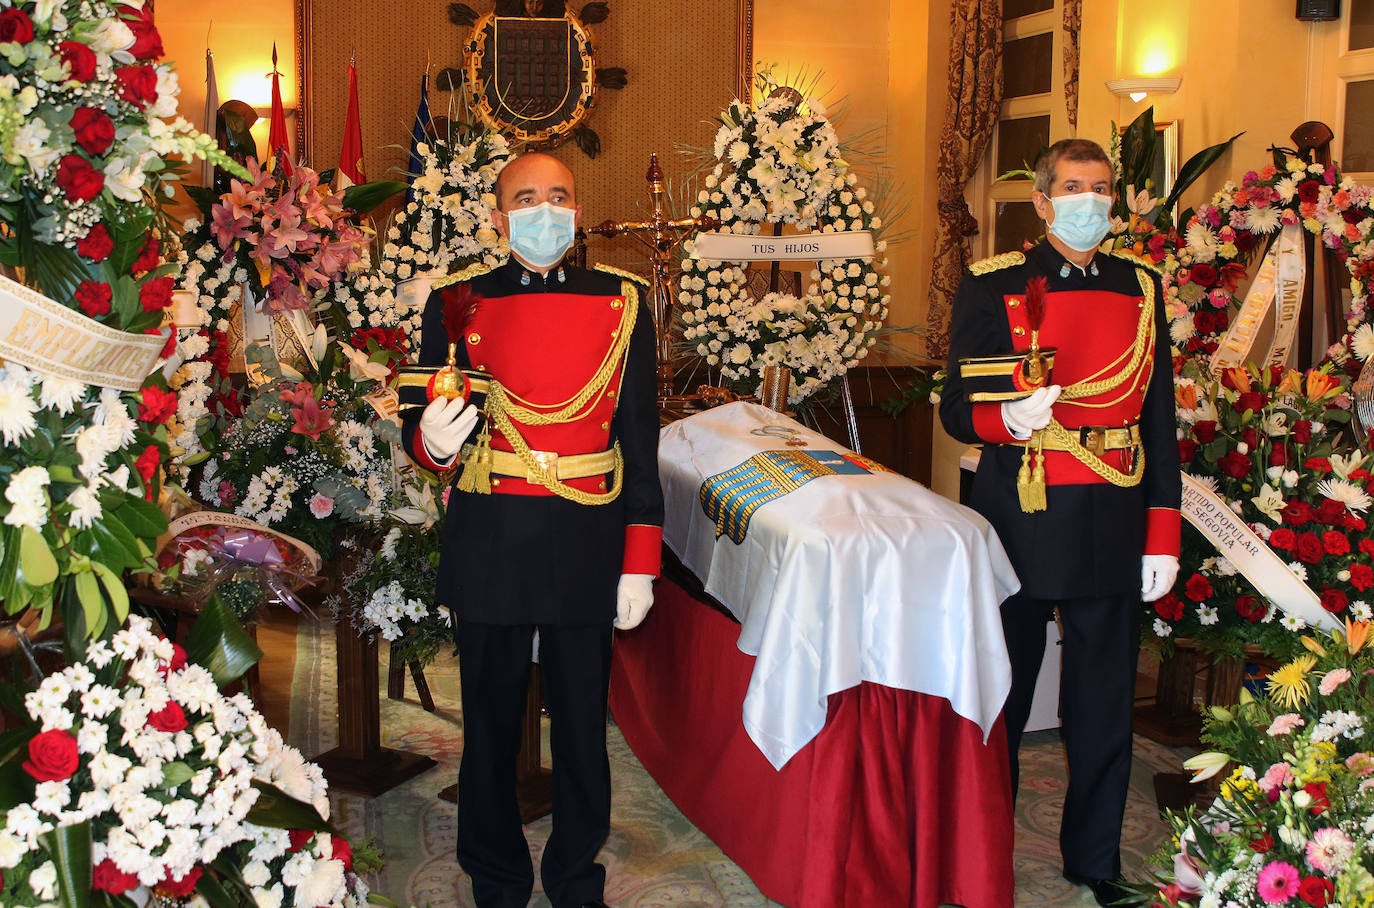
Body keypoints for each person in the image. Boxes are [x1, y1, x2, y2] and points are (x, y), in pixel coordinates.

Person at [401, 152, 663, 908]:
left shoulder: (624, 302)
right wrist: (436, 443)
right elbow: (423, 420)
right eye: (525, 198)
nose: (543, 212)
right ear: (496, 215)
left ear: (577, 210)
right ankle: (498, 877)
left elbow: (638, 439)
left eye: (558, 197)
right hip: (493, 532)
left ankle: (577, 877)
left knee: (583, 725)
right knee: (486, 726)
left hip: (588, 532)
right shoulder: (457, 302)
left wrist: (639, 559)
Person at [939, 138, 1181, 906]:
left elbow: (1161, 420)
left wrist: (1163, 532)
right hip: (1024, 513)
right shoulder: (995, 283)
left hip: (1113, 512)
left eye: (1102, 188)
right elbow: (955, 409)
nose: (1090, 202)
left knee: (1103, 704)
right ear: (1041, 201)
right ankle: (982, 864)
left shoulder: (1143, 287)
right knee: (1002, 703)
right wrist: (1008, 416)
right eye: (1072, 187)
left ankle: (1097, 862)